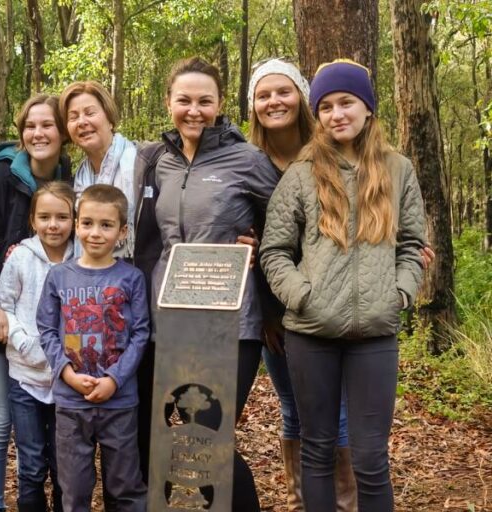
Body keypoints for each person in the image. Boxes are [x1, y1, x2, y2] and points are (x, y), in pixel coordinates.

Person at [260, 59, 426, 512]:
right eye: (327, 106)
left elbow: (413, 243)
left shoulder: (398, 171)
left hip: (375, 333)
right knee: (318, 448)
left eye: (347, 103)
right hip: (311, 333)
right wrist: (302, 296)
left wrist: (399, 294)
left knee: (371, 457)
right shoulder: (301, 172)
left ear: (367, 108)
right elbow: (273, 250)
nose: (337, 114)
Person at [152, 56, 279, 511]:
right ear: (169, 102)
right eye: (184, 100)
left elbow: (293, 222)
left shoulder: (247, 159)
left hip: (232, 323)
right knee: (176, 440)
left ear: (220, 104)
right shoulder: (158, 161)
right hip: (172, 322)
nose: (194, 110)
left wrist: (261, 247)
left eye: (205, 101)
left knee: (209, 435)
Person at [247, 58, 356, 511]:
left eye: (284, 91)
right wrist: (270, 313)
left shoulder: (331, 152)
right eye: (263, 94)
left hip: (334, 306)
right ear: (253, 105)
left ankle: (345, 502)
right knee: (292, 406)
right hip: (276, 310)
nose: (274, 101)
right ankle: (300, 500)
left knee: (339, 411)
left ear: (301, 97)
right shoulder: (245, 162)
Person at [0, 94, 72, 512]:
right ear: (22, 132)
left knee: (52, 440)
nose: (38, 133)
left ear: (63, 134)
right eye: (31, 125)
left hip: (49, 338)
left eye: (48, 125)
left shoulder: (69, 180)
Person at [37, 184, 149, 512]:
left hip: (120, 402)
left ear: (122, 231)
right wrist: (68, 374)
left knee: (125, 486)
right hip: (72, 402)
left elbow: (141, 334)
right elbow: (46, 329)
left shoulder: (132, 278)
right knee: (74, 489)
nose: (95, 233)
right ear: (76, 223)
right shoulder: (59, 277)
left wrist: (114, 380)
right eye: (87, 223)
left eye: (106, 225)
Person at [0, 181, 76, 512]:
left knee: (63, 464)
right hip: (25, 377)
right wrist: (23, 342)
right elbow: (5, 304)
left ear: (74, 219)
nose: (53, 225)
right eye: (44, 217)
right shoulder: (20, 258)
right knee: (30, 463)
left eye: (62, 217)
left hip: (68, 378)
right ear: (33, 220)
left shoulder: (83, 257)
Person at [60, 81, 137, 258]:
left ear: (109, 119)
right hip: (88, 276)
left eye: (90, 113)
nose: (82, 122)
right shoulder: (78, 178)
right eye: (73, 117)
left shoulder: (140, 164)